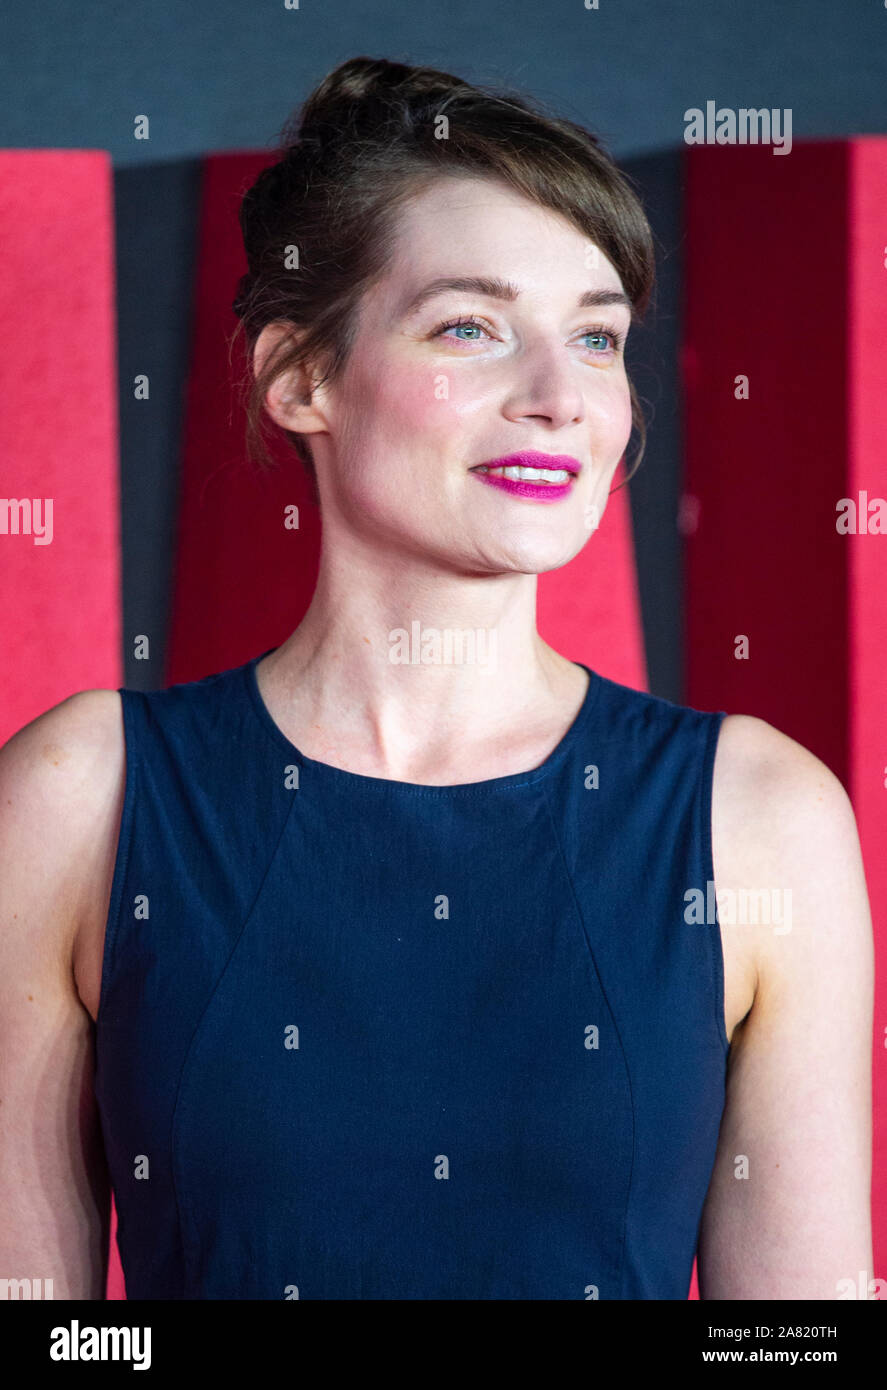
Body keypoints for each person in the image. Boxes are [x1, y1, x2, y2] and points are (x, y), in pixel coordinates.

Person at [0, 56, 873, 1301]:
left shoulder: (760, 816)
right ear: (298, 374)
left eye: (594, 337)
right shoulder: (83, 792)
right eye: (470, 326)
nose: (557, 398)